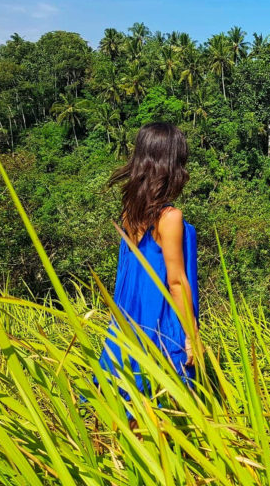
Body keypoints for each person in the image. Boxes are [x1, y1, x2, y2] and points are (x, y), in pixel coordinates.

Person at [96, 122, 200, 425]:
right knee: (167, 413)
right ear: (172, 164)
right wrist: (192, 336)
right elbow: (177, 281)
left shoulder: (132, 211)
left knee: (127, 410)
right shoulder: (170, 217)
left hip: (130, 322)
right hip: (162, 325)